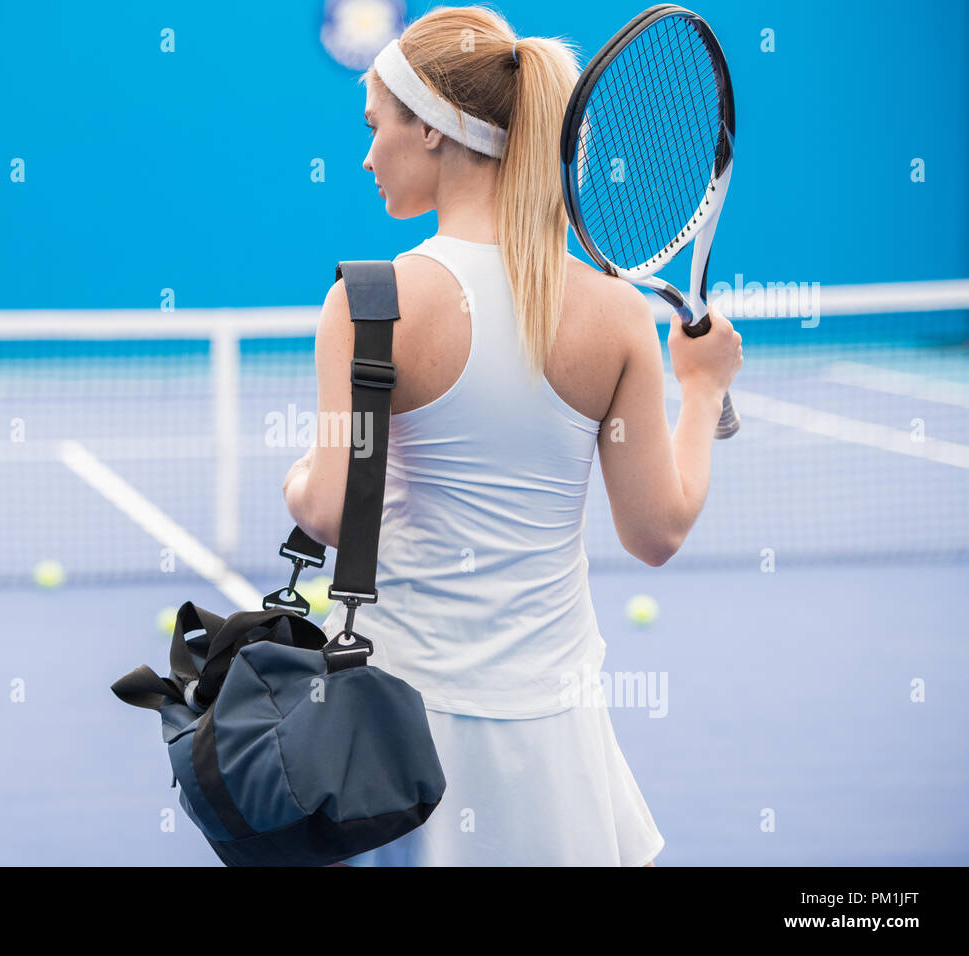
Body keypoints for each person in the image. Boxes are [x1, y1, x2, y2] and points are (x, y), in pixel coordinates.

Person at [283, 6, 742, 865]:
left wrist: (295, 480)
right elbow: (658, 530)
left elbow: (330, 510)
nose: (366, 155)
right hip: (561, 742)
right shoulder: (617, 316)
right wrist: (701, 388)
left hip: (402, 752)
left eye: (376, 126)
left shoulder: (367, 302)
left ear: (430, 129)